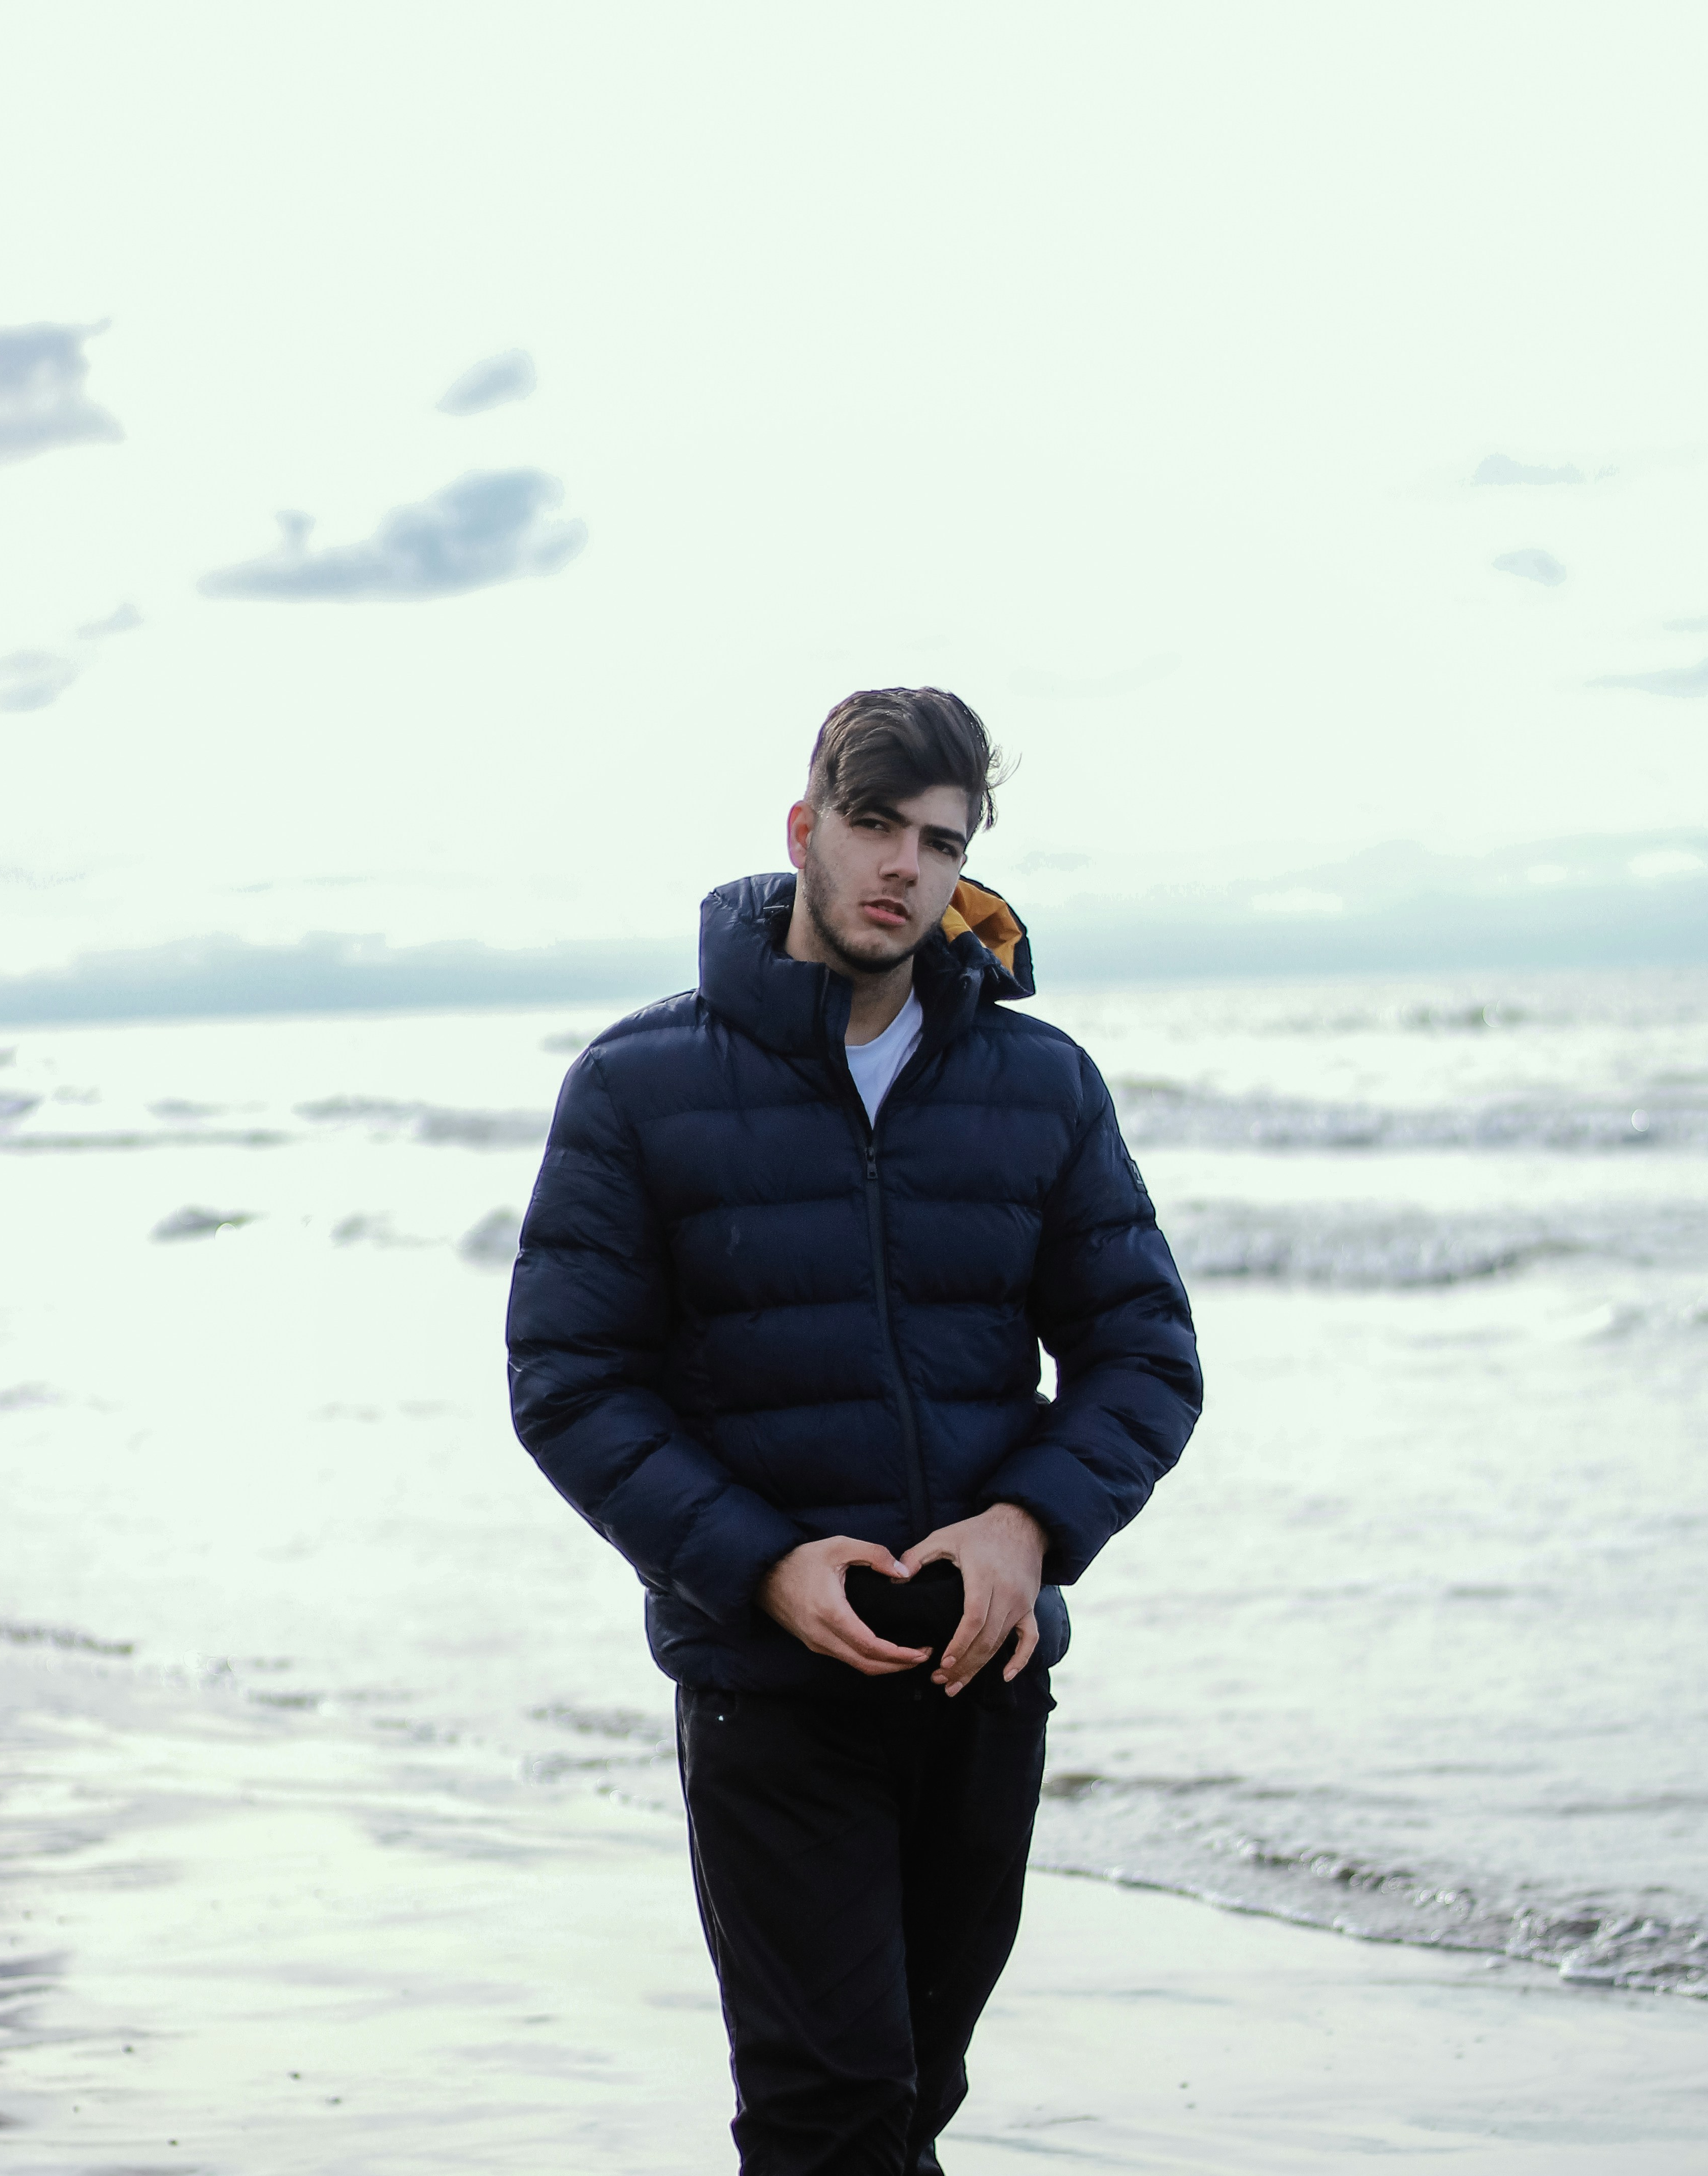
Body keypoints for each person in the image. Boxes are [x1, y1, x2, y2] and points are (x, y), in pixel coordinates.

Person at [507, 686, 1202, 2174]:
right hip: (771, 1684)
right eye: (875, 824)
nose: (904, 865)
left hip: (983, 1673)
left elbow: (1143, 1352)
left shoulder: (1042, 1083)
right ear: (805, 828)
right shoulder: (640, 1085)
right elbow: (569, 1377)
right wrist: (759, 1565)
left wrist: (1029, 1527)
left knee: (908, 2101)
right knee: (829, 2112)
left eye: (940, 840)